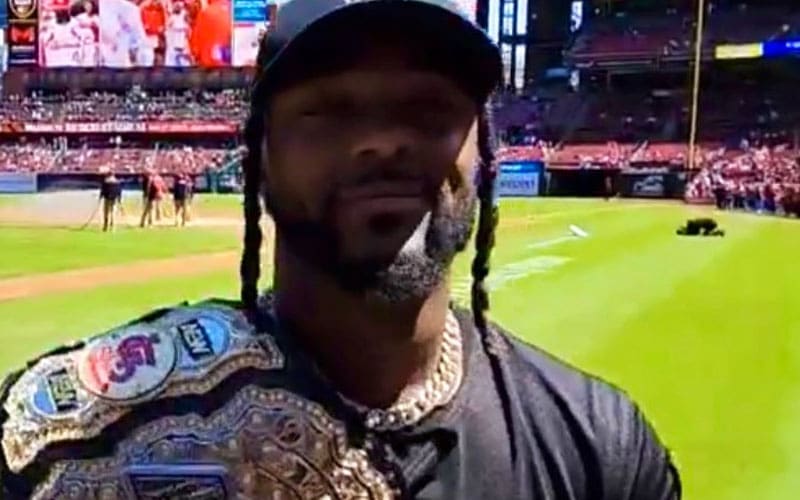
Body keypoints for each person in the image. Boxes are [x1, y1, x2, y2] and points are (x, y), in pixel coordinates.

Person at [0, 0, 681, 498]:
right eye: (327, 111)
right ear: (260, 161)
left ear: (485, 150)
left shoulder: (599, 448)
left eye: (428, 108)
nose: (383, 141)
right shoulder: (71, 440)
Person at [98, 167, 122, 232]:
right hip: (114, 199)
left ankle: (105, 226)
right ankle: (113, 227)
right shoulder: (117, 182)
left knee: (106, 213)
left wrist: (100, 198)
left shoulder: (106, 182)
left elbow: (102, 191)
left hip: (107, 199)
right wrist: (119, 200)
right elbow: (119, 192)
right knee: (113, 213)